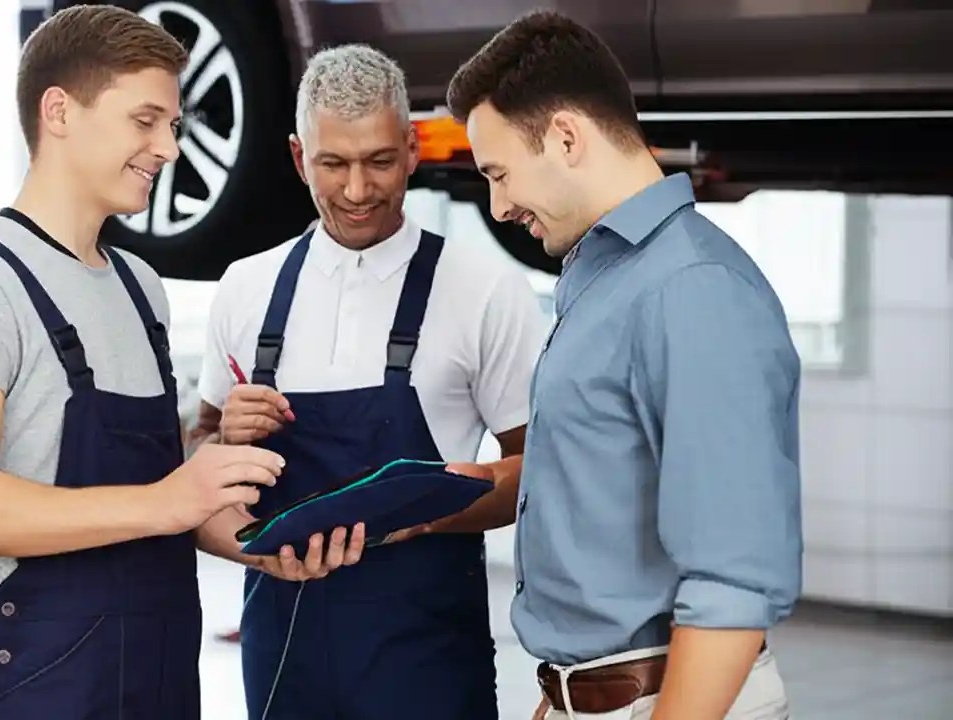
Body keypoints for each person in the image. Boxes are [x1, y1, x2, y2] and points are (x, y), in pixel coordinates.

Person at [0, 6, 284, 719]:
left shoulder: (141, 289)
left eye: (174, 125)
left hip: (160, 677)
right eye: (145, 121)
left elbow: (161, 496)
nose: (168, 148)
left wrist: (263, 544)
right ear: (59, 112)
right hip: (42, 687)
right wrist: (168, 500)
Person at [444, 10, 802, 720]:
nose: (499, 205)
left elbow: (732, 584)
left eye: (499, 174)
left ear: (566, 137)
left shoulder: (692, 288)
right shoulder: (607, 279)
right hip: (592, 697)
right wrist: (564, 697)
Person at [190, 44, 550, 720]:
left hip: (426, 660)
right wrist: (226, 446)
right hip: (282, 655)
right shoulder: (245, 287)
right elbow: (194, 459)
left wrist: (421, 511)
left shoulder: (484, 289)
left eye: (379, 161)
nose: (358, 191)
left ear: (412, 149)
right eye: (333, 164)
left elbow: (540, 472)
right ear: (299, 157)